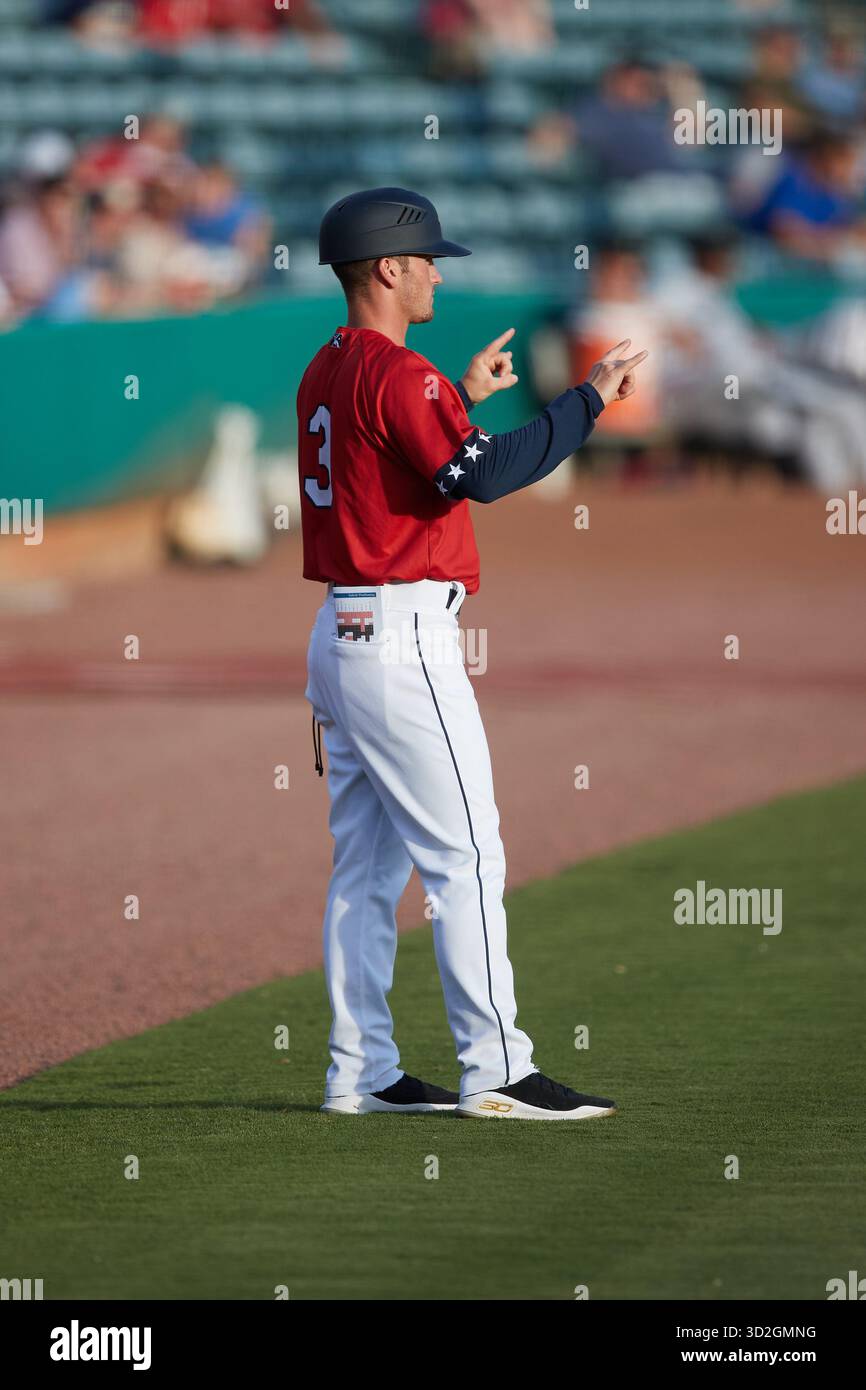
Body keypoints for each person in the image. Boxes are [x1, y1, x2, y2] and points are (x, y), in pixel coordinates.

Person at [298, 187, 646, 1120]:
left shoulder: (328, 367)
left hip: (340, 634)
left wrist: (458, 395)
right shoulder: (399, 377)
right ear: (386, 268)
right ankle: (496, 1070)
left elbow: (393, 458)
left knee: (365, 872)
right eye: (427, 259)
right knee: (467, 858)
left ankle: (358, 1072)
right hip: (403, 641)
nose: (437, 272)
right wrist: (587, 402)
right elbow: (484, 476)